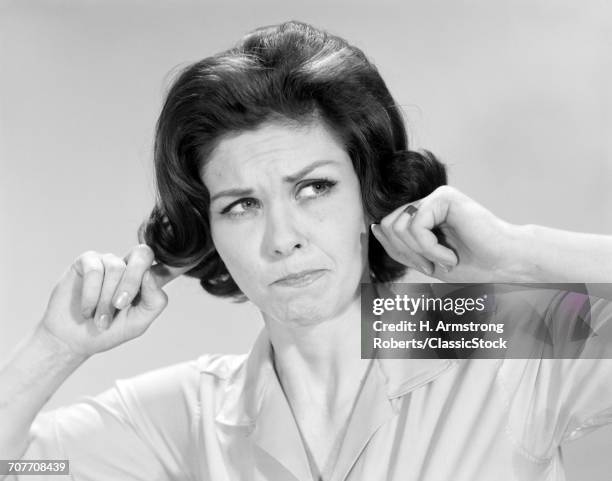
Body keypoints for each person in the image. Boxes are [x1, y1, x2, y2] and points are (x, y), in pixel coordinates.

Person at [1, 20, 612, 481]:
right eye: (241, 205)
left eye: (314, 188)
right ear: (208, 230)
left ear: (369, 195)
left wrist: (518, 256)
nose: (283, 237)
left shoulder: (489, 339)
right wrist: (54, 348)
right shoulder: (188, 413)